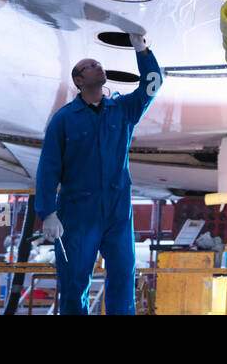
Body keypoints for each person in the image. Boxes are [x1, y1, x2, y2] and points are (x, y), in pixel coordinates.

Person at [35, 35, 162, 315]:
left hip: (118, 212)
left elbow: (153, 85)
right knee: (74, 283)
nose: (99, 66)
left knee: (123, 280)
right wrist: (47, 212)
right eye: (91, 65)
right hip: (78, 213)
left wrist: (142, 50)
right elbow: (48, 168)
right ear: (79, 81)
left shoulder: (123, 110)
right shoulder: (64, 119)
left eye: (98, 63)